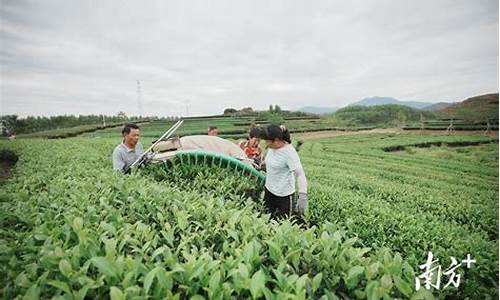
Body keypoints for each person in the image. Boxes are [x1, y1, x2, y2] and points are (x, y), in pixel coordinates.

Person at [262, 124, 308, 219]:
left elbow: (300, 174)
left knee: (283, 223)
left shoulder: (289, 153)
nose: (266, 144)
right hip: (269, 190)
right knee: (266, 218)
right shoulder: (272, 147)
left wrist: (302, 195)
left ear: (277, 140)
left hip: (284, 196)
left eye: (267, 141)